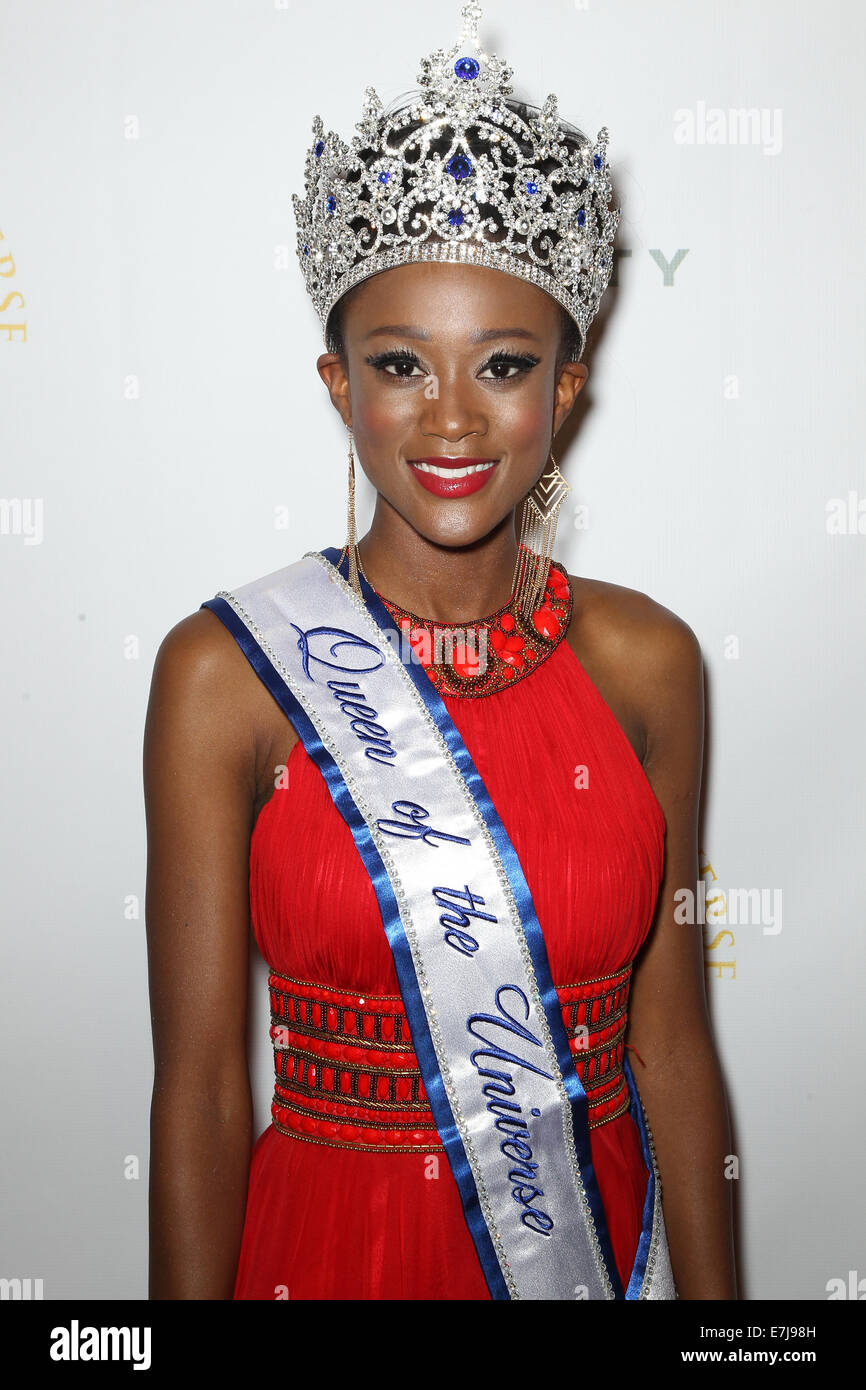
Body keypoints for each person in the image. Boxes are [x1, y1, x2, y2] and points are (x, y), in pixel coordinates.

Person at [144, 3, 736, 1300]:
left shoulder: (648, 666)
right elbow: (196, 1083)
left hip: (584, 1246)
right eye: (400, 364)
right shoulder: (222, 673)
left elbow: (674, 1048)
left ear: (563, 392)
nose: (452, 416)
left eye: (505, 364)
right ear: (336, 384)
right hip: (321, 1251)